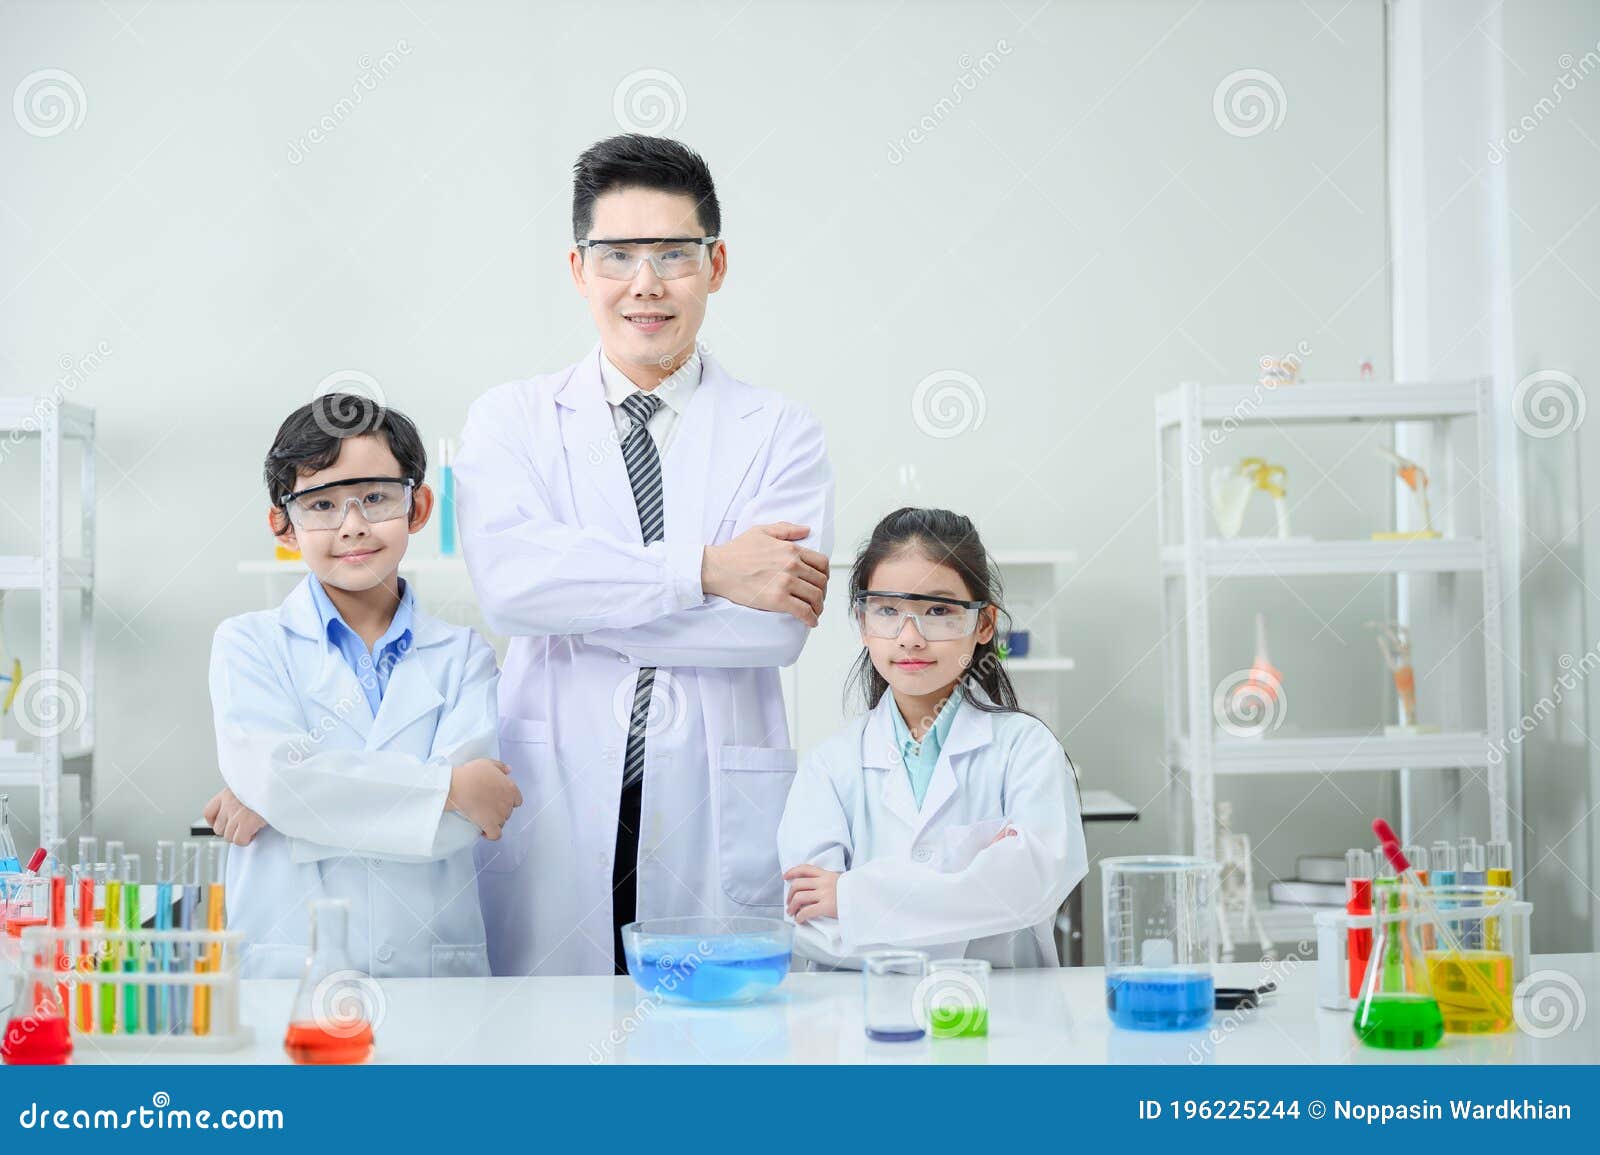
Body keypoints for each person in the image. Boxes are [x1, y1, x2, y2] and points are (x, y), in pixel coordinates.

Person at [455, 134, 834, 976]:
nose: (645, 283)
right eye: (617, 255)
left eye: (673, 254)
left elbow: (772, 632)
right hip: (555, 791)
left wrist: (584, 608)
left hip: (712, 794)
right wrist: (704, 570)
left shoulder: (779, 433)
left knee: (710, 1067)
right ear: (578, 267)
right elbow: (513, 591)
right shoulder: (510, 419)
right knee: (551, 1067)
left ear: (717, 262)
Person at [204, 396, 521, 978]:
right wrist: (448, 786)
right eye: (321, 504)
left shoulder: (464, 656)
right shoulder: (247, 645)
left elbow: (460, 825)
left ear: (418, 505)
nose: (352, 525)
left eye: (374, 497)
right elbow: (279, 780)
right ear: (284, 525)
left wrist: (287, 805)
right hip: (292, 974)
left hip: (432, 976)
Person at [777, 507, 1087, 967]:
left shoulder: (1027, 749)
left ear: (983, 625)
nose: (910, 637)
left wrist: (852, 895)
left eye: (938, 610)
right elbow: (809, 922)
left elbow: (1030, 889)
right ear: (863, 623)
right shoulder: (830, 767)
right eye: (887, 610)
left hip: (1007, 1020)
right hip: (863, 1021)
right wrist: (966, 895)